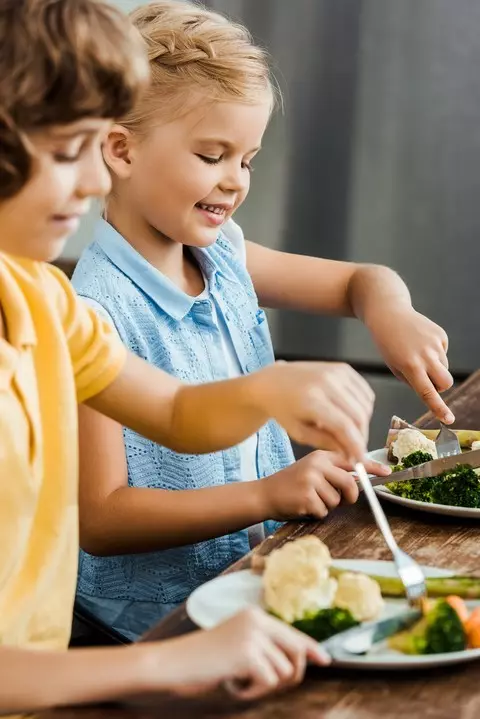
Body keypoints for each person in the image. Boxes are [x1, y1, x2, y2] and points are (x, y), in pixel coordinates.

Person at [0, 0, 387, 711]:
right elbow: (104, 516)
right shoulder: (86, 299)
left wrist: (273, 390)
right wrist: (166, 661)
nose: (90, 183)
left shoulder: (40, 301)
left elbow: (176, 409)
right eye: (66, 151)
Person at [72, 0, 453, 640]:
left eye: (246, 159)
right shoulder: (92, 313)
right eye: (213, 154)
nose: (235, 181)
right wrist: (269, 494)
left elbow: (362, 282)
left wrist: (391, 308)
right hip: (151, 631)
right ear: (121, 149)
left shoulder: (225, 254)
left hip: (252, 587)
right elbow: (103, 520)